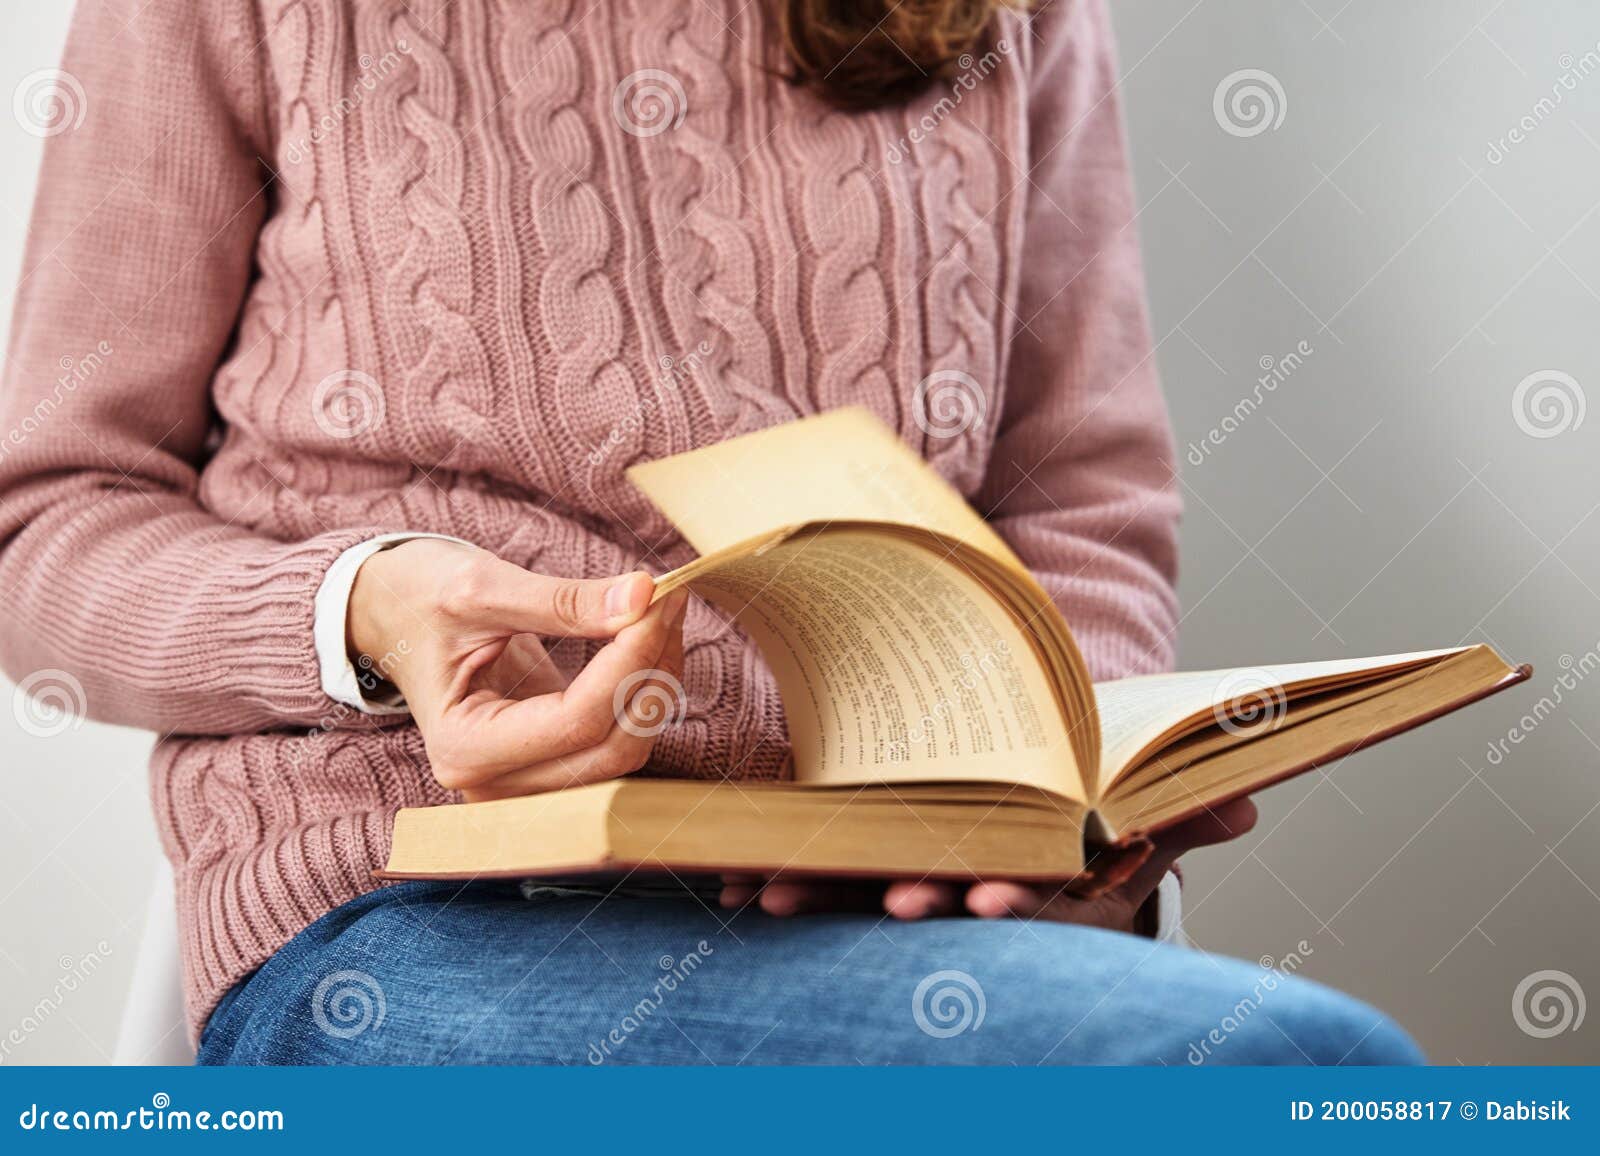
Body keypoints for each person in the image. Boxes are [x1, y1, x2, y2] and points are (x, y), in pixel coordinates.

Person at [0, 0, 1421, 1065]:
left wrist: (1048, 807)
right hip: (410, 905)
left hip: (898, 907)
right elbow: (48, 519)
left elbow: (1077, 498)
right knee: (1289, 1067)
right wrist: (365, 615)